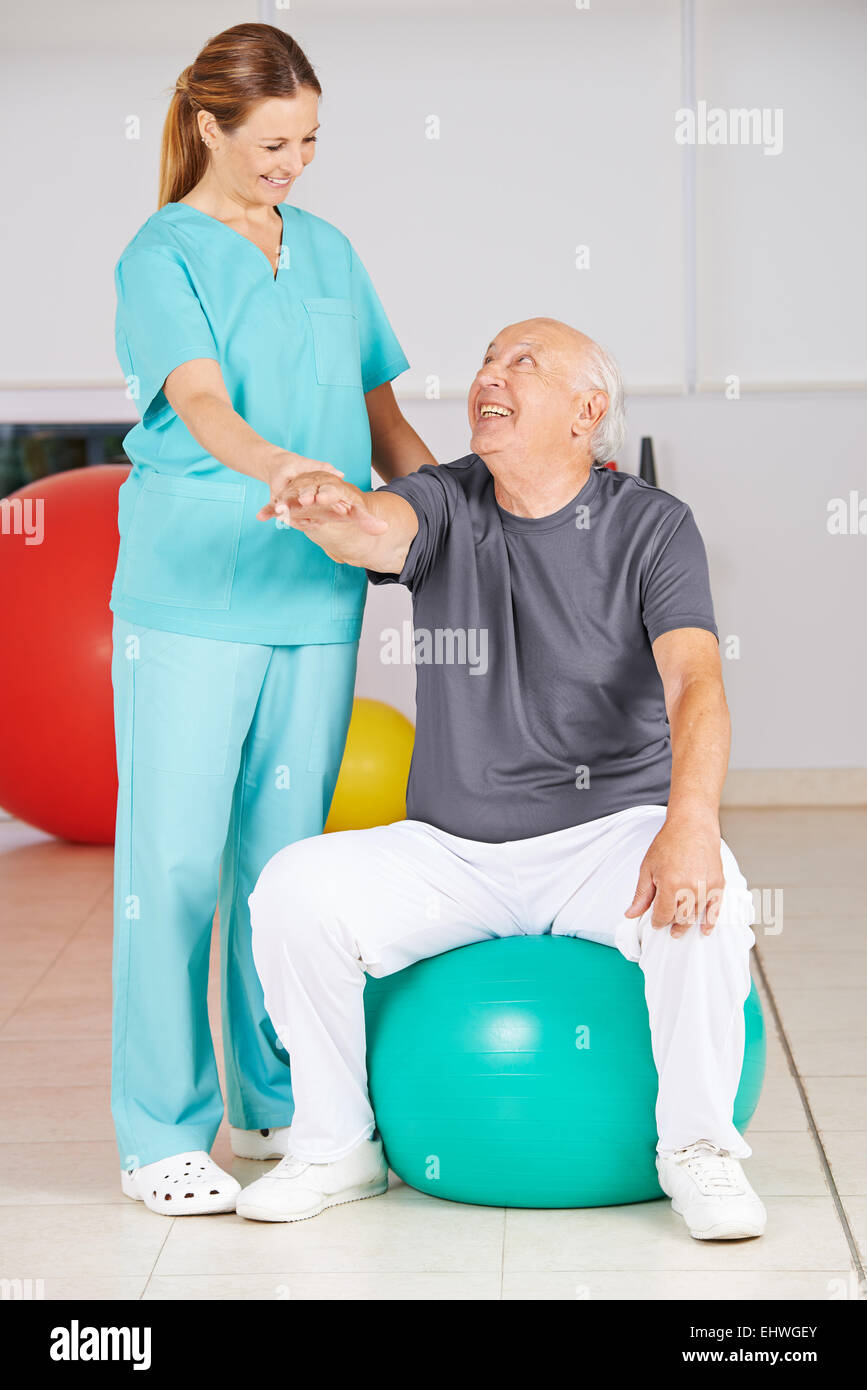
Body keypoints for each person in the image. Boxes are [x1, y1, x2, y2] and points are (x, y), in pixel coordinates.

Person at [239, 318, 767, 1241]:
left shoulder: (652, 526)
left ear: (585, 412)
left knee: (709, 897)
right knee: (292, 890)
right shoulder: (448, 499)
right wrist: (334, 509)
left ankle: (698, 1149)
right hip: (454, 851)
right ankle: (335, 1145)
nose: (491, 374)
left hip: (606, 841)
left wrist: (688, 821)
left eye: (523, 363)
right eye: (487, 359)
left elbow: (696, 683)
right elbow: (378, 528)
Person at [111, 23, 435, 1216]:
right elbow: (198, 399)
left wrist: (465, 516)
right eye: (273, 141)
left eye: (309, 140)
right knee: (176, 865)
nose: (294, 162)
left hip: (316, 597)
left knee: (286, 867)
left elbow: (384, 417)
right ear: (209, 127)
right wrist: (280, 466)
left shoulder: (333, 250)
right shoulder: (162, 254)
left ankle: (277, 1096)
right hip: (193, 593)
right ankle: (160, 1132)